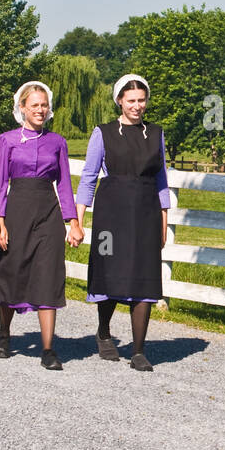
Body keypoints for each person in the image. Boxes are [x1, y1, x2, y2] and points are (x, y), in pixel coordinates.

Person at [75, 74, 170, 372]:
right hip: (110, 214)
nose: (137, 106)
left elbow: (162, 177)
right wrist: (77, 220)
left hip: (146, 212)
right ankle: (104, 332)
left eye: (141, 100)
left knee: (144, 276)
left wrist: (164, 215)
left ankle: (139, 350)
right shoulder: (103, 133)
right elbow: (89, 178)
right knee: (109, 271)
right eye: (131, 100)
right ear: (119, 101)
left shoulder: (155, 133)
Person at [0, 82, 84, 370]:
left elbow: (65, 185)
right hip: (16, 211)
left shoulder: (57, 142)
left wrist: (73, 222)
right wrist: (1, 223)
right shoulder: (7, 140)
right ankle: (4, 334)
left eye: (44, 105)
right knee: (12, 271)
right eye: (34, 105)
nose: (40, 110)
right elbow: (0, 185)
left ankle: (48, 349)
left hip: (47, 212)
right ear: (22, 108)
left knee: (48, 276)